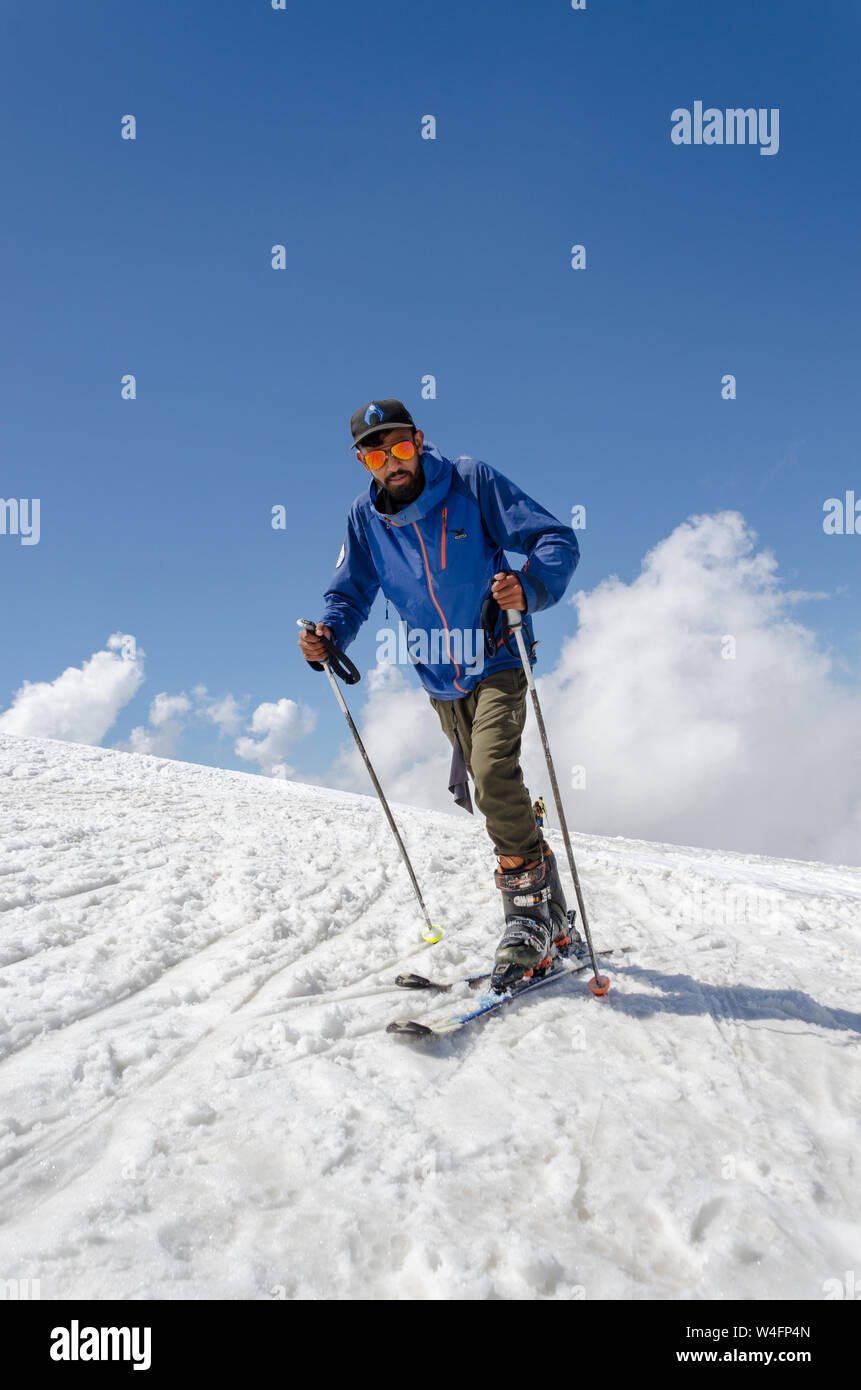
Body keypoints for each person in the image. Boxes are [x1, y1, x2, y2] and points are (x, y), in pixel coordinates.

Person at [298, 398, 579, 985]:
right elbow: (348, 595)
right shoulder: (364, 519)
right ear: (362, 460)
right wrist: (329, 636)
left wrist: (529, 586)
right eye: (375, 453)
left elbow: (554, 538)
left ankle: (525, 919)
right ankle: (555, 918)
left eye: (400, 446)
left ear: (419, 440)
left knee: (493, 770)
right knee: (488, 782)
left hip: (499, 655)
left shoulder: (471, 482)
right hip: (438, 676)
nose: (391, 461)